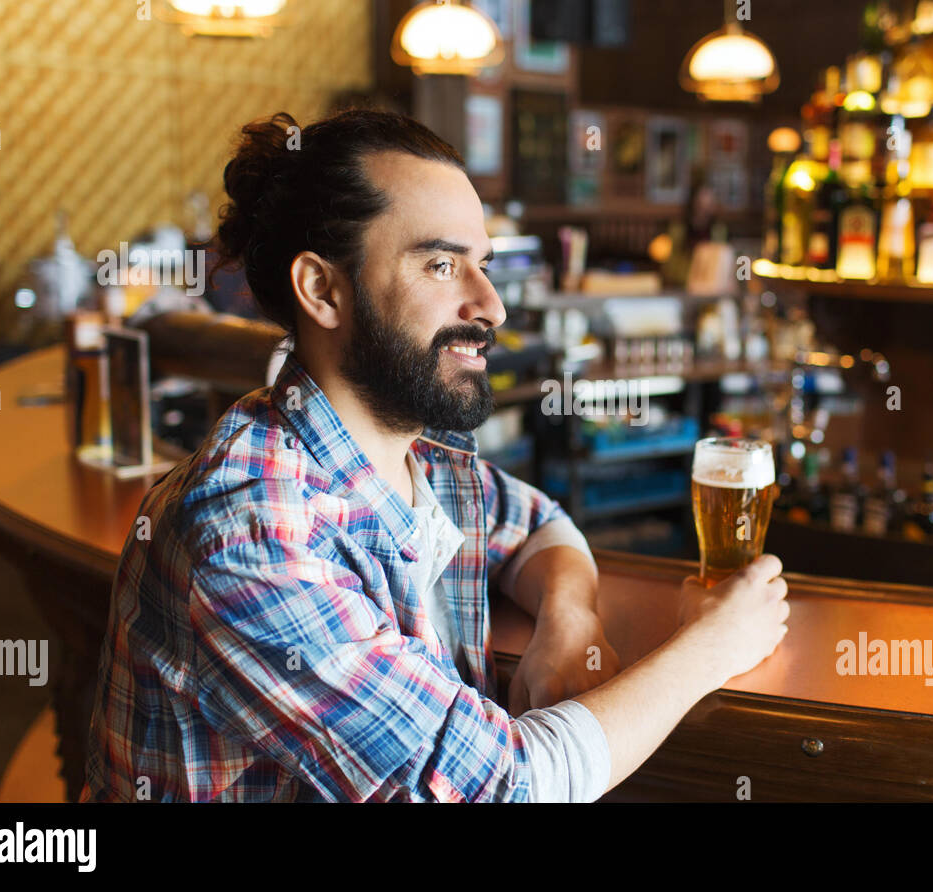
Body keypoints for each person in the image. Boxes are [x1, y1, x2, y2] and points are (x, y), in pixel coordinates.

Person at [81, 109, 790, 803]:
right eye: (442, 264)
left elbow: (539, 523)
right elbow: (507, 786)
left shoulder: (418, 451)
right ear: (323, 290)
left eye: (481, 265)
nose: (491, 306)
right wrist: (714, 644)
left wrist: (568, 618)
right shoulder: (252, 531)